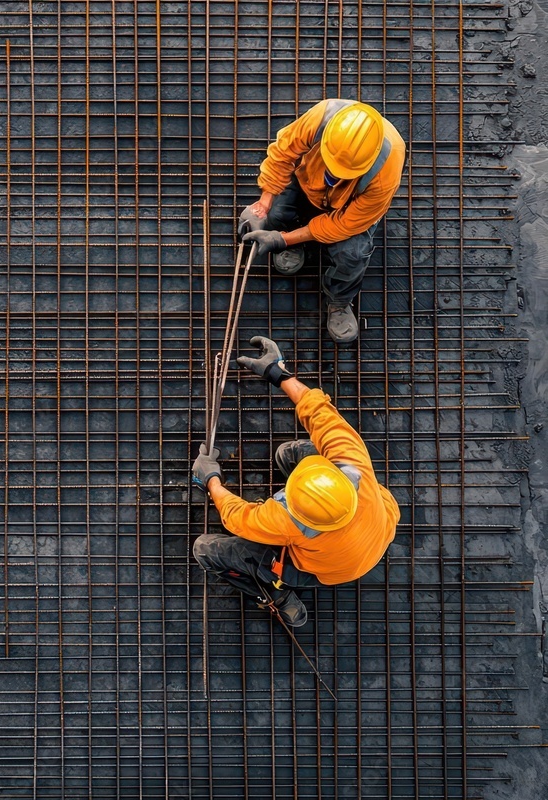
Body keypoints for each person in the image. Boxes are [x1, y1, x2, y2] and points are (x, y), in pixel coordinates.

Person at [191, 336, 400, 626]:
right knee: (289, 453)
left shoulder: (288, 523)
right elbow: (319, 412)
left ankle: (274, 594)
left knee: (206, 550)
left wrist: (211, 479)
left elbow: (236, 518)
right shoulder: (353, 462)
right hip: (376, 533)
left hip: (329, 570)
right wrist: (279, 373)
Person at [237, 99, 406, 344]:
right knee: (277, 215)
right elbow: (283, 152)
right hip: (309, 183)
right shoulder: (322, 118)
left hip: (349, 208)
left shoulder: (385, 172)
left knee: (353, 254)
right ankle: (295, 244)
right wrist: (263, 203)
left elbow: (343, 225)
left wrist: (281, 239)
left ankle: (339, 301)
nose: (336, 174)